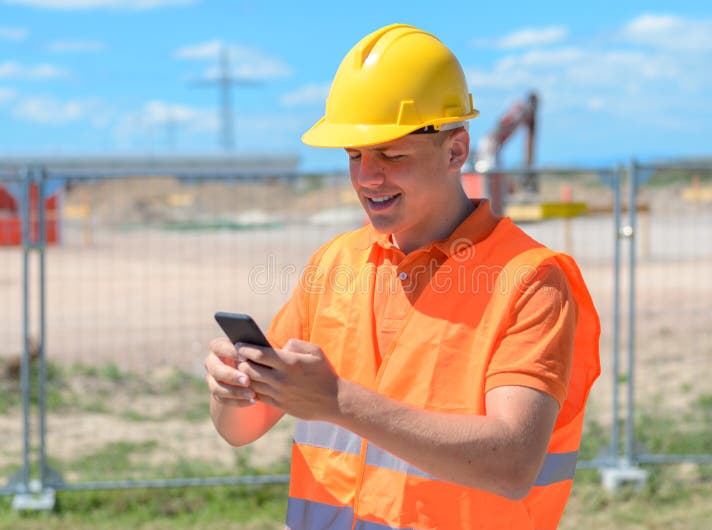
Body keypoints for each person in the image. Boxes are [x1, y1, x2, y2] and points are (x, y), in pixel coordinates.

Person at [205, 23, 600, 530]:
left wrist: (337, 402)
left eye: (392, 155)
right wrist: (231, 391)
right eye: (354, 156)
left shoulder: (528, 281)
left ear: (456, 151)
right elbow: (241, 430)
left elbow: (512, 463)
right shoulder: (334, 265)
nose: (368, 177)